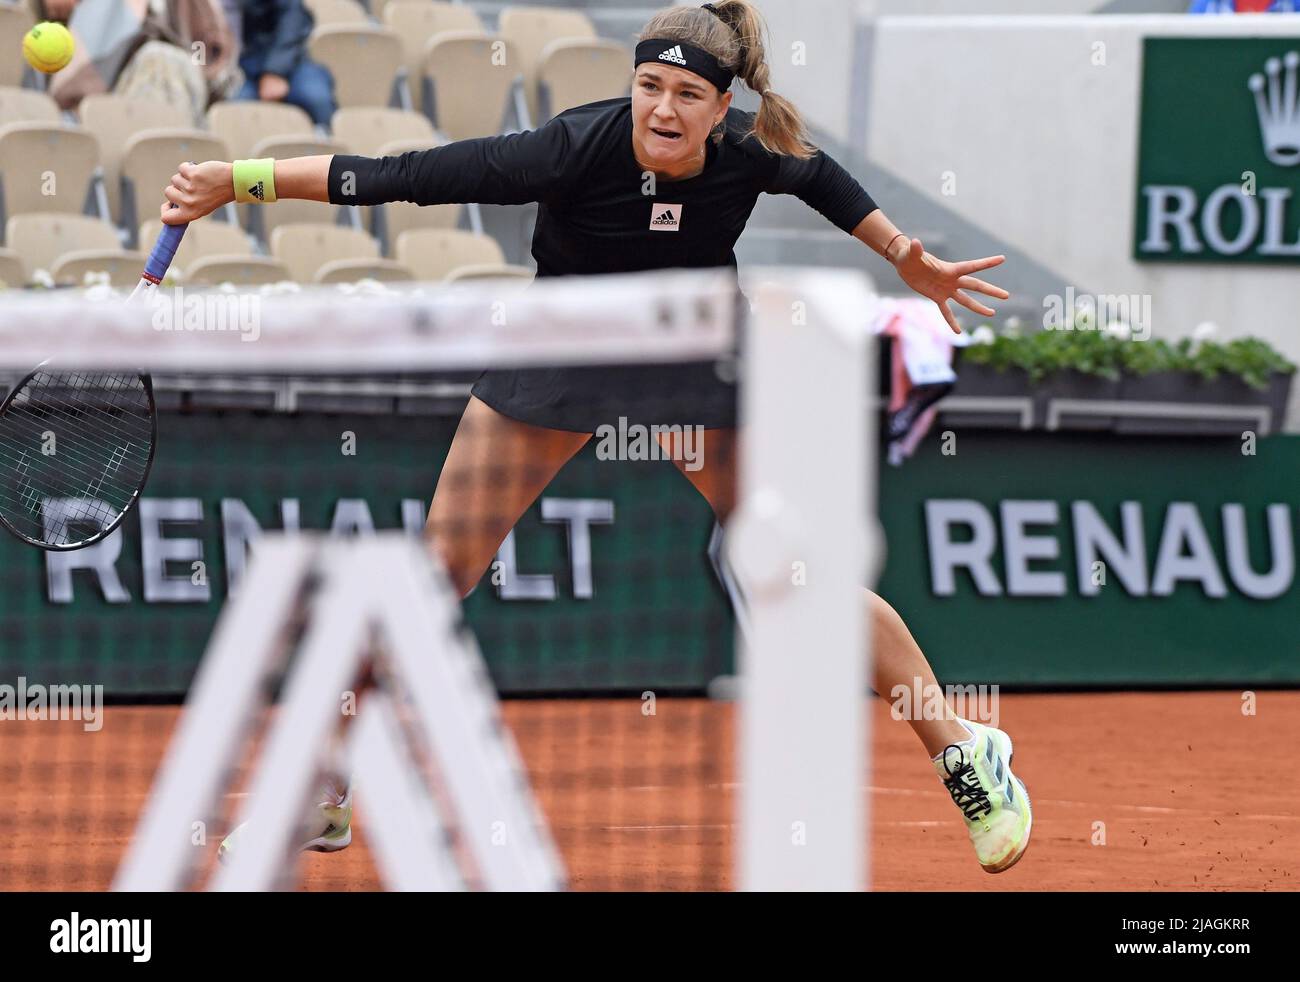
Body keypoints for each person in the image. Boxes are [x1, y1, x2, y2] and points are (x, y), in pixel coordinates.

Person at [165, 0, 1032, 876]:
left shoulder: (750, 150)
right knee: (430, 578)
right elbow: (404, 174)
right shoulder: (570, 148)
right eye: (649, 85)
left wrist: (901, 253)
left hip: (689, 360)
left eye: (688, 94)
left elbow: (824, 181)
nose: (663, 109)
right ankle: (322, 792)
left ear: (721, 107)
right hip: (566, 350)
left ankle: (965, 749)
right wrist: (242, 180)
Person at [234, 0, 335, 126]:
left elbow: (291, 21)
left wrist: (274, 71)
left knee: (315, 98)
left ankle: (326, 138)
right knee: (235, 109)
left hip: (284, 62)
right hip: (231, 71)